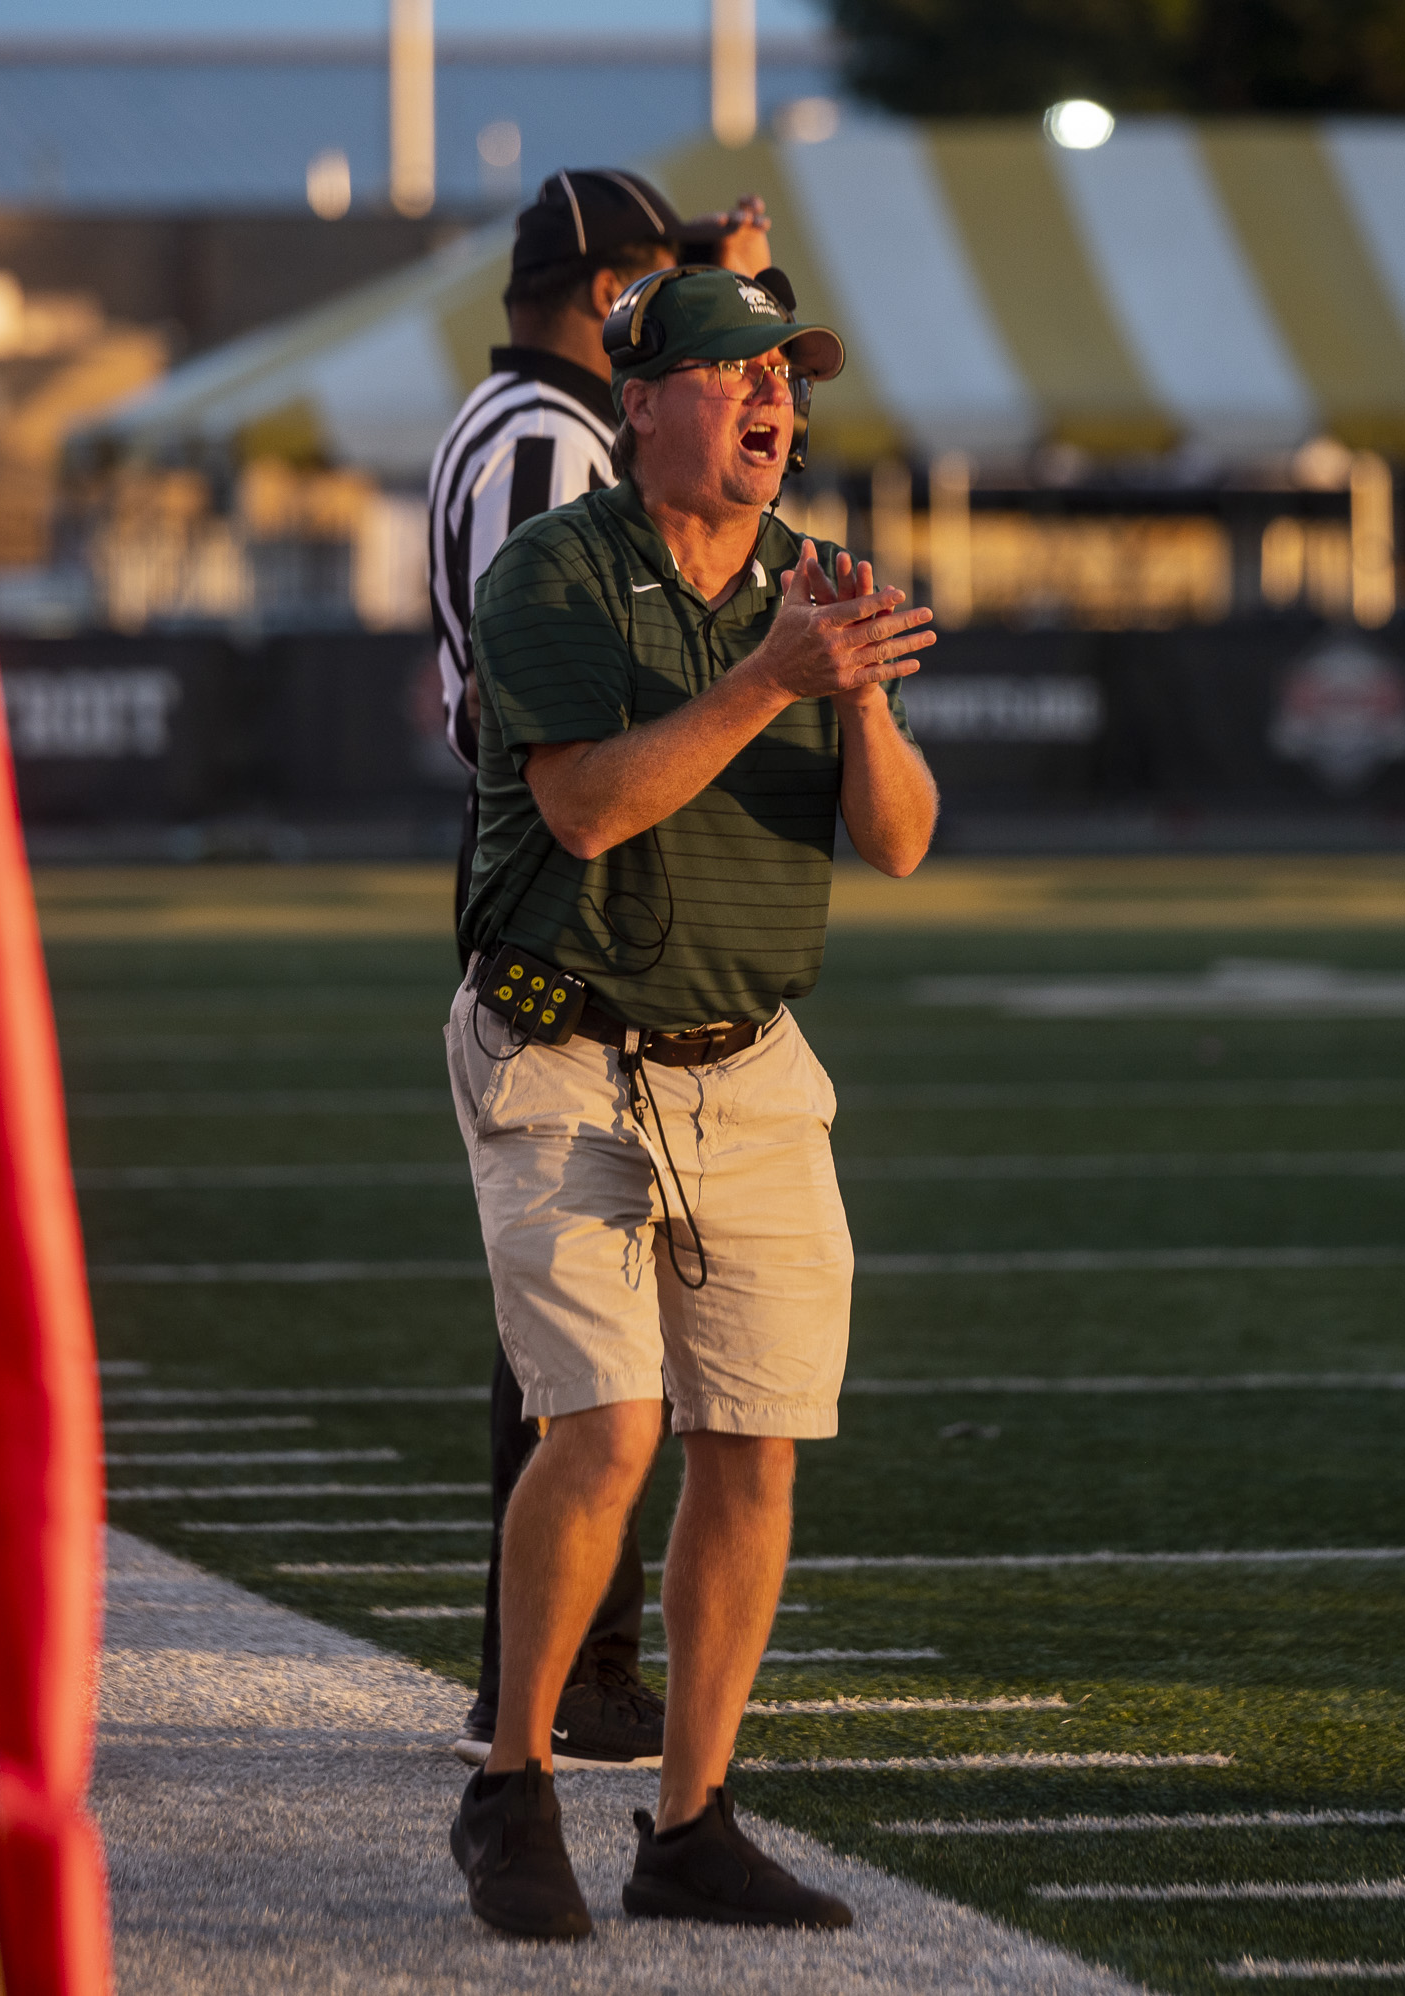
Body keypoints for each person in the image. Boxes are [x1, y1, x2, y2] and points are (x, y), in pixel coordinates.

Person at [442, 265, 939, 1940]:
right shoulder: (552, 573)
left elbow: (900, 840)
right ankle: (512, 1783)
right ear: (641, 400)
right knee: (606, 1427)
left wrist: (853, 694)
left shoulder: (818, 586)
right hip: (562, 1046)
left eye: (786, 374)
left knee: (757, 1442)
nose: (772, 398)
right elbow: (587, 810)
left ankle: (690, 1822)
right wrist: (772, 681)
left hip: (751, 1058)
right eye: (735, 371)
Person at [423, 167, 772, 1776]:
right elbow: (541, 702)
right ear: (611, 298)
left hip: (568, 863)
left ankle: (559, 1668)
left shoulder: (508, 418)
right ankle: (564, 1669)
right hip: (576, 879)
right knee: (575, 1333)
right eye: (659, 287)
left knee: (570, 1321)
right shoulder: (551, 446)